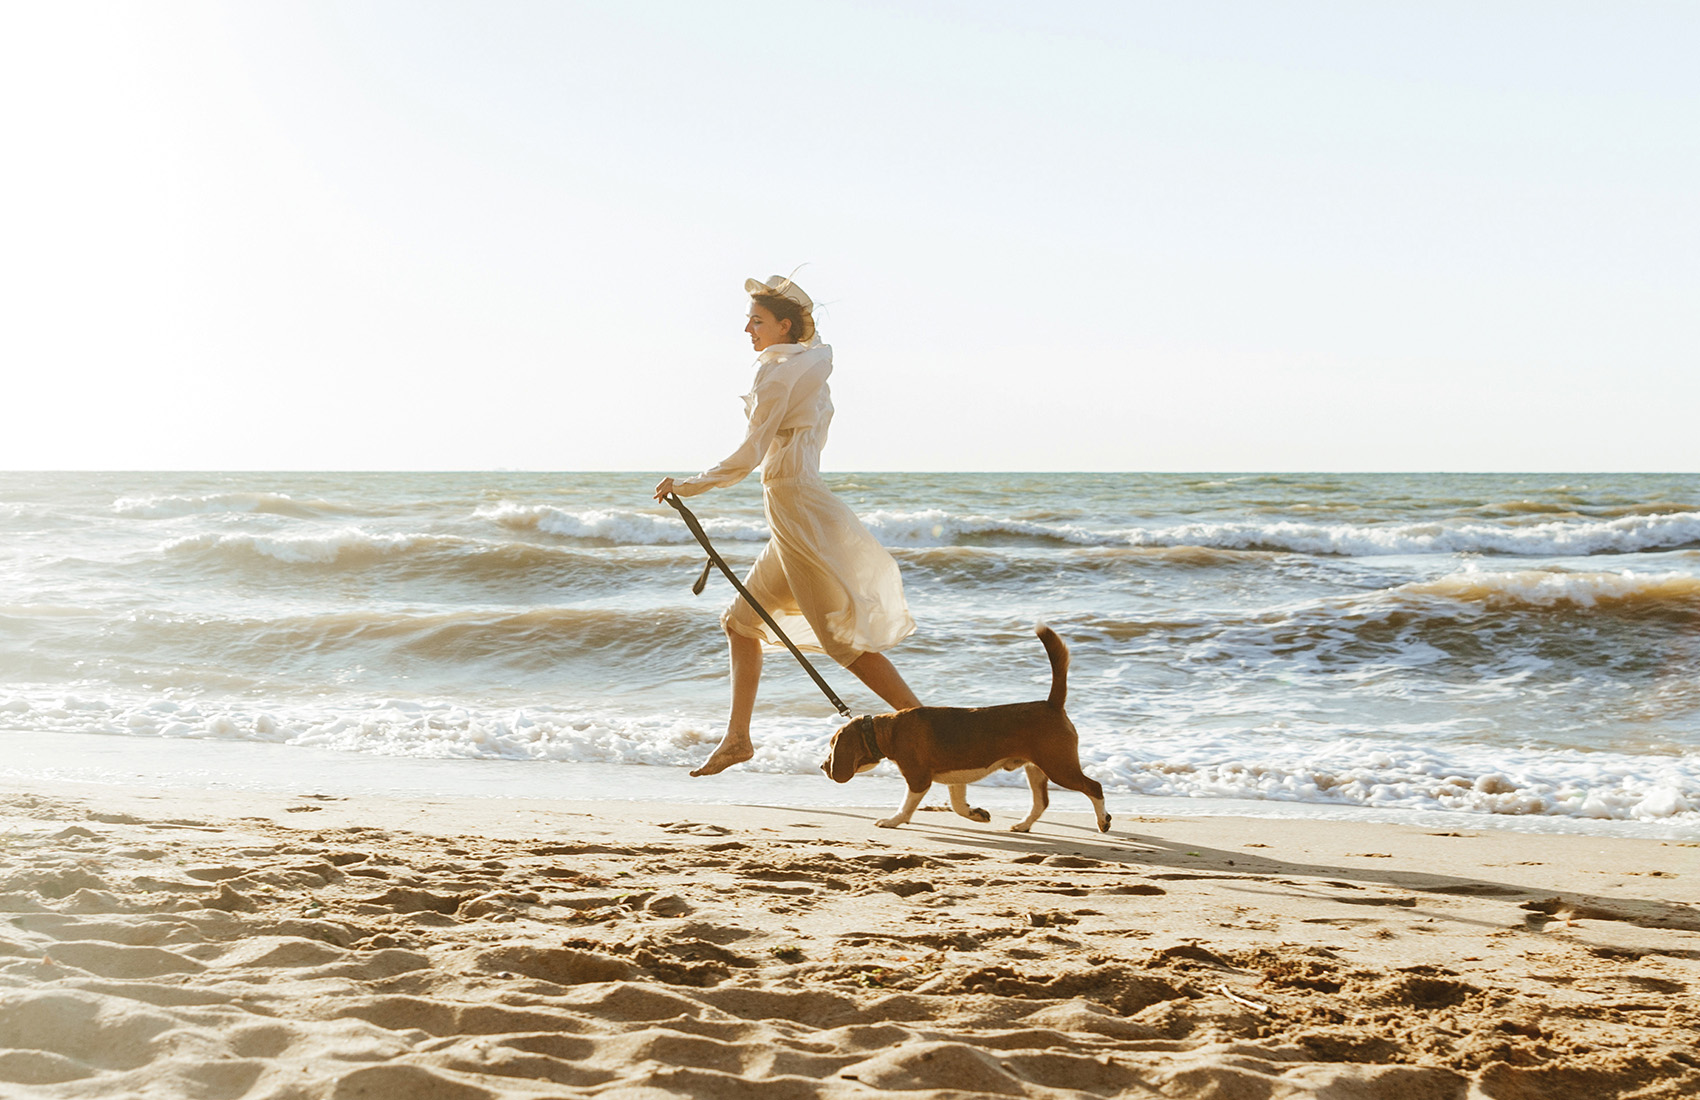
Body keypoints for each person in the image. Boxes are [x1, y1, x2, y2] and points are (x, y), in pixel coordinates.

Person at [654, 275, 921, 776]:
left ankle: (928, 729)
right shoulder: (807, 366)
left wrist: (687, 485)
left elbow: (751, 453)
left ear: (785, 324)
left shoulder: (779, 375)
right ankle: (737, 740)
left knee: (843, 644)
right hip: (793, 507)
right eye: (749, 319)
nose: (747, 329)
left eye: (757, 321)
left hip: (796, 509)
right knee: (739, 622)